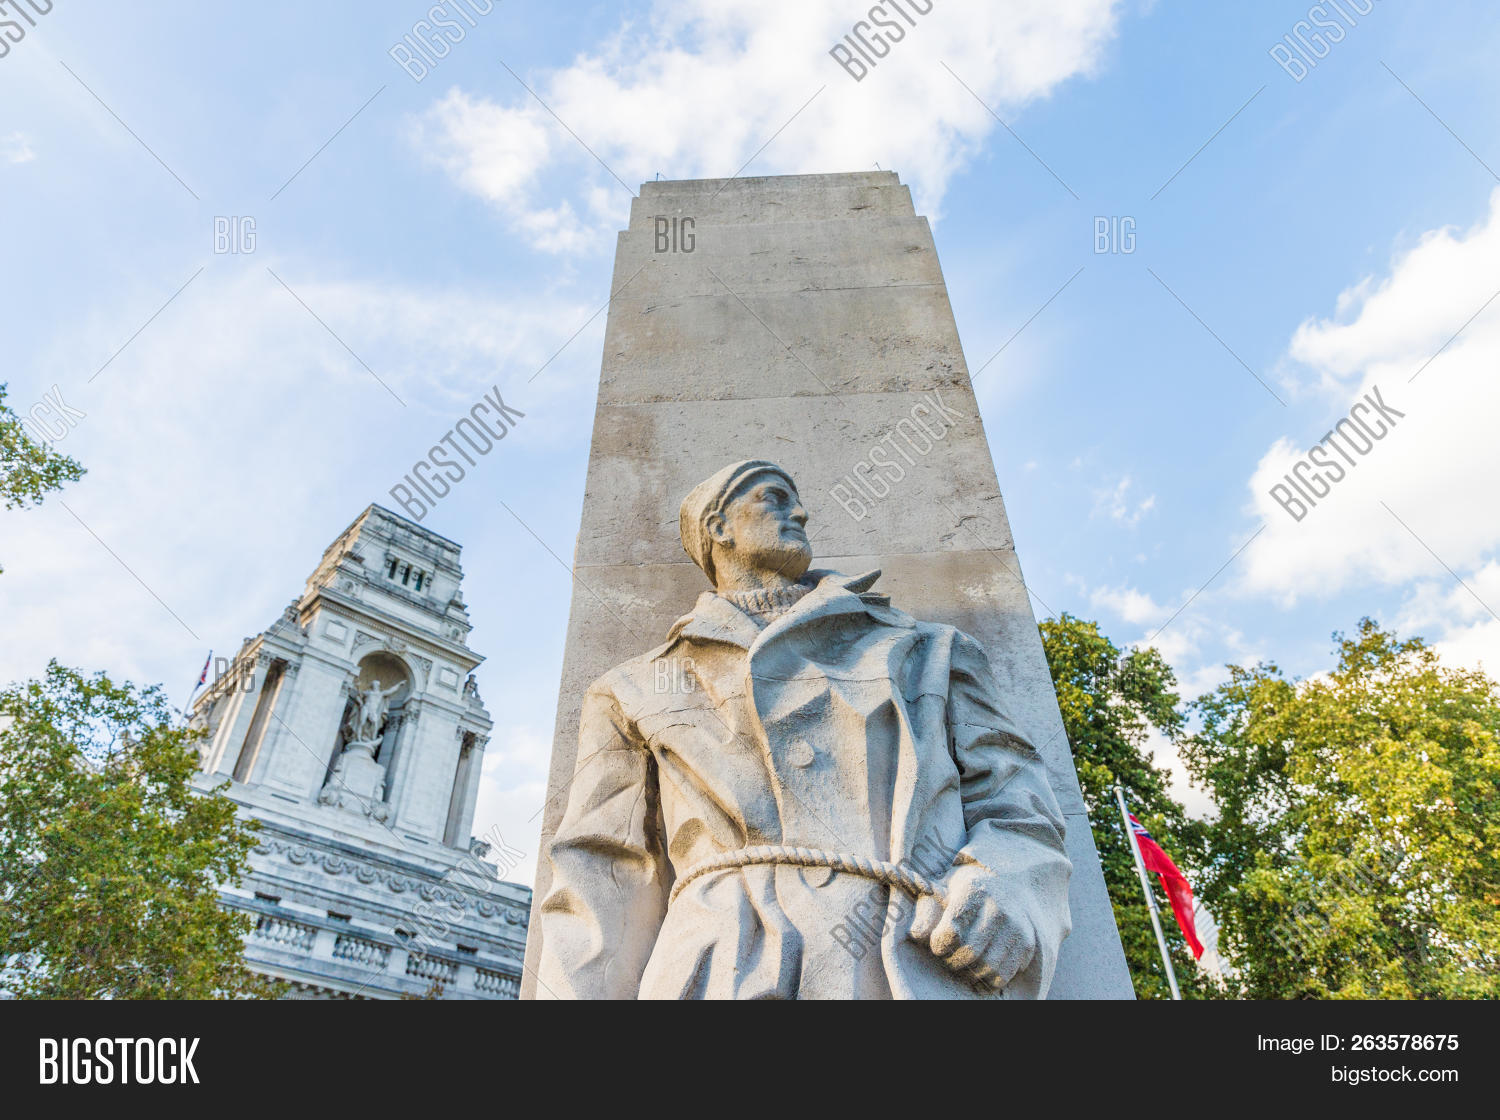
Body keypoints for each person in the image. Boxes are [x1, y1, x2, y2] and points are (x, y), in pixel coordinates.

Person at [537, 460, 1071, 998]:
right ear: (718, 526)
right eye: (773, 497)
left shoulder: (931, 650)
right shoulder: (631, 686)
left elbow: (1017, 802)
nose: (800, 511)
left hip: (911, 964)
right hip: (716, 972)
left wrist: (1006, 885)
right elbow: (598, 876)